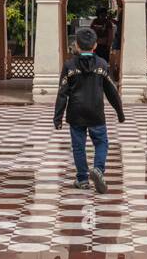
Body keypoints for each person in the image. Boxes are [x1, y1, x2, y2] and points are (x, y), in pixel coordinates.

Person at [54, 27, 125, 193]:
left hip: (75, 112)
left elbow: (62, 93)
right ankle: (98, 169)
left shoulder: (69, 65)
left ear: (77, 46)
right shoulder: (102, 64)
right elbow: (112, 91)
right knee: (101, 142)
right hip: (96, 112)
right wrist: (120, 113)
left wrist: (57, 117)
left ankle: (82, 179)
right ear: (95, 46)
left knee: (78, 146)